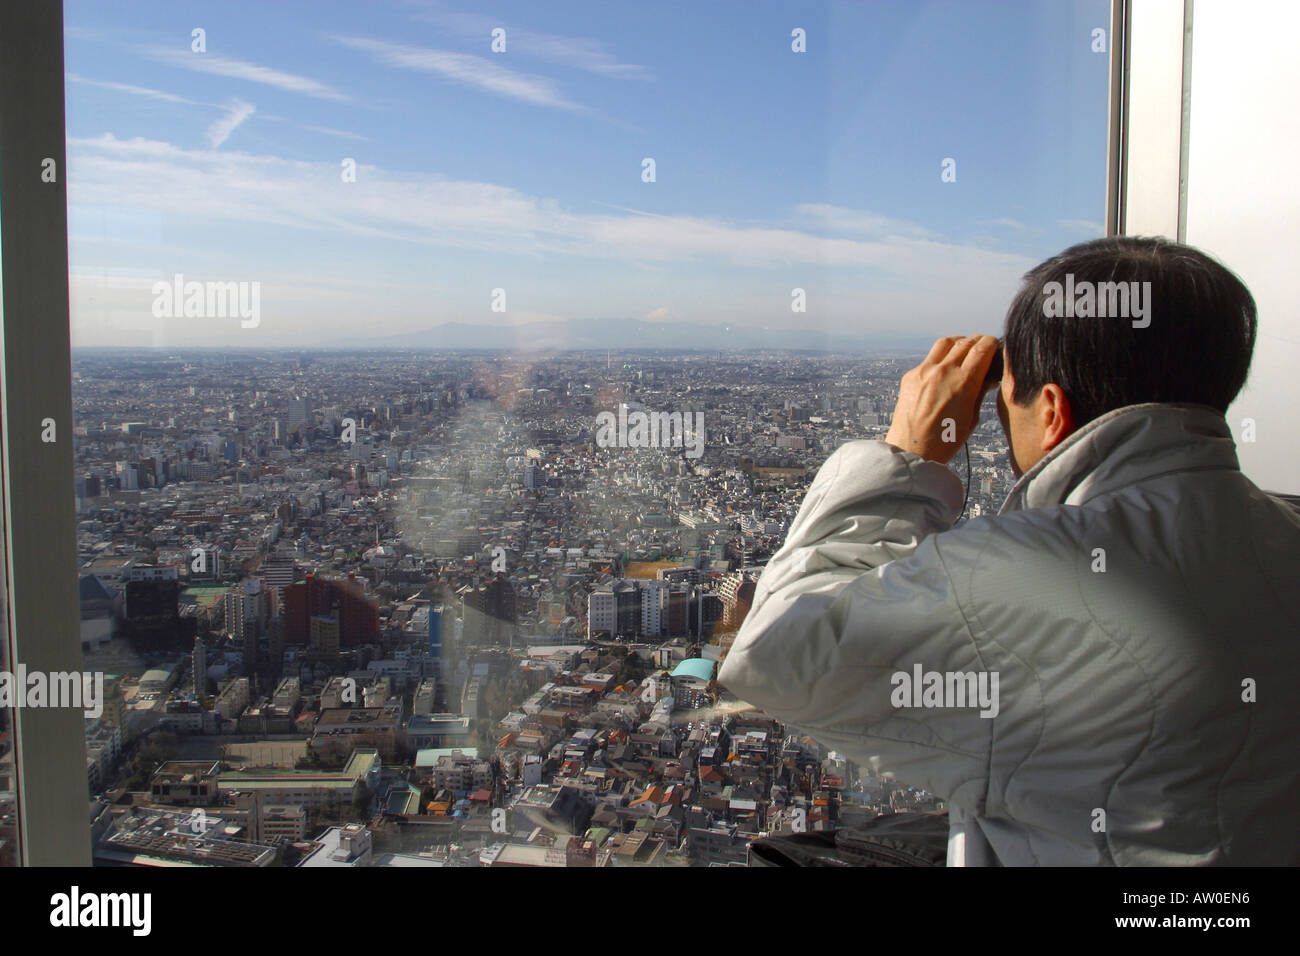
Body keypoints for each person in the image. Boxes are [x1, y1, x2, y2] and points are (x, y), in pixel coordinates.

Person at [717, 235, 1300, 865]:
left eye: (1007, 392)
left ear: (1051, 410)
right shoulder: (1282, 527)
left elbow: (775, 656)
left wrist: (906, 456)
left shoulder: (1036, 576)